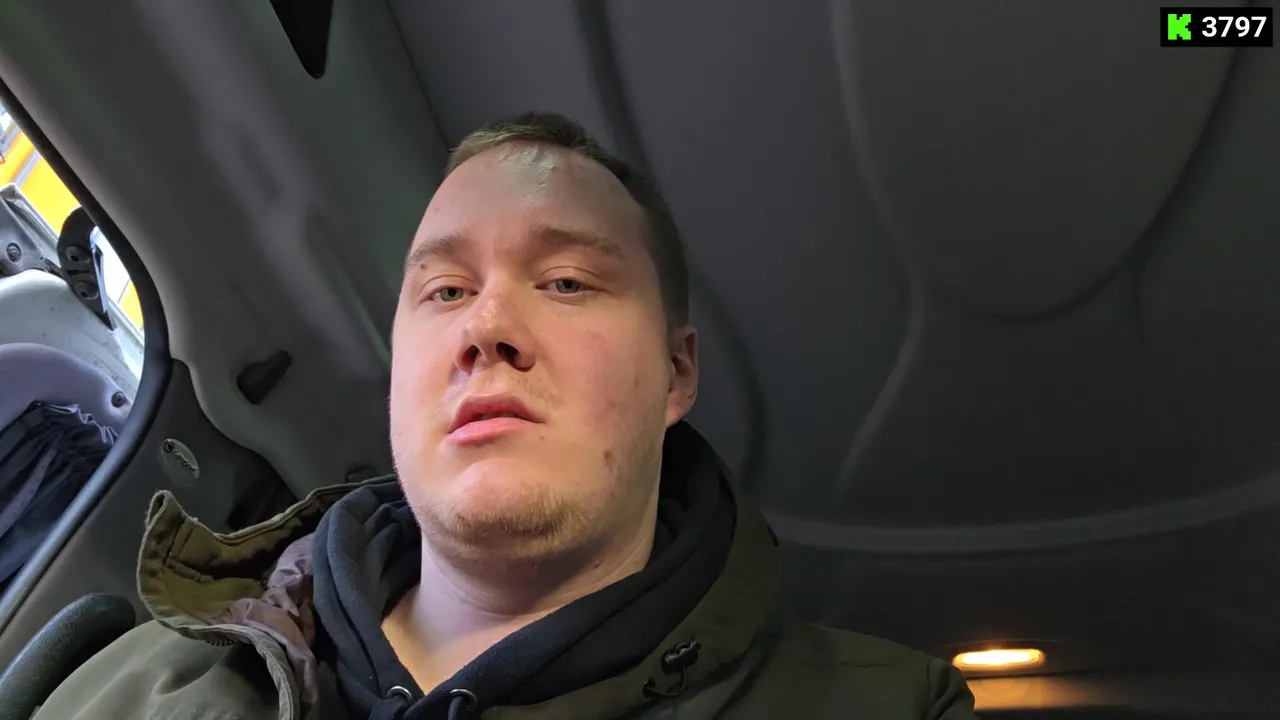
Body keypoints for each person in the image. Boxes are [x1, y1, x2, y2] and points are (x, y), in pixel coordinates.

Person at [36, 112, 978, 719]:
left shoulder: (894, 706)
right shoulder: (125, 680)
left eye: (566, 282)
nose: (485, 327)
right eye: (445, 291)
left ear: (677, 372)